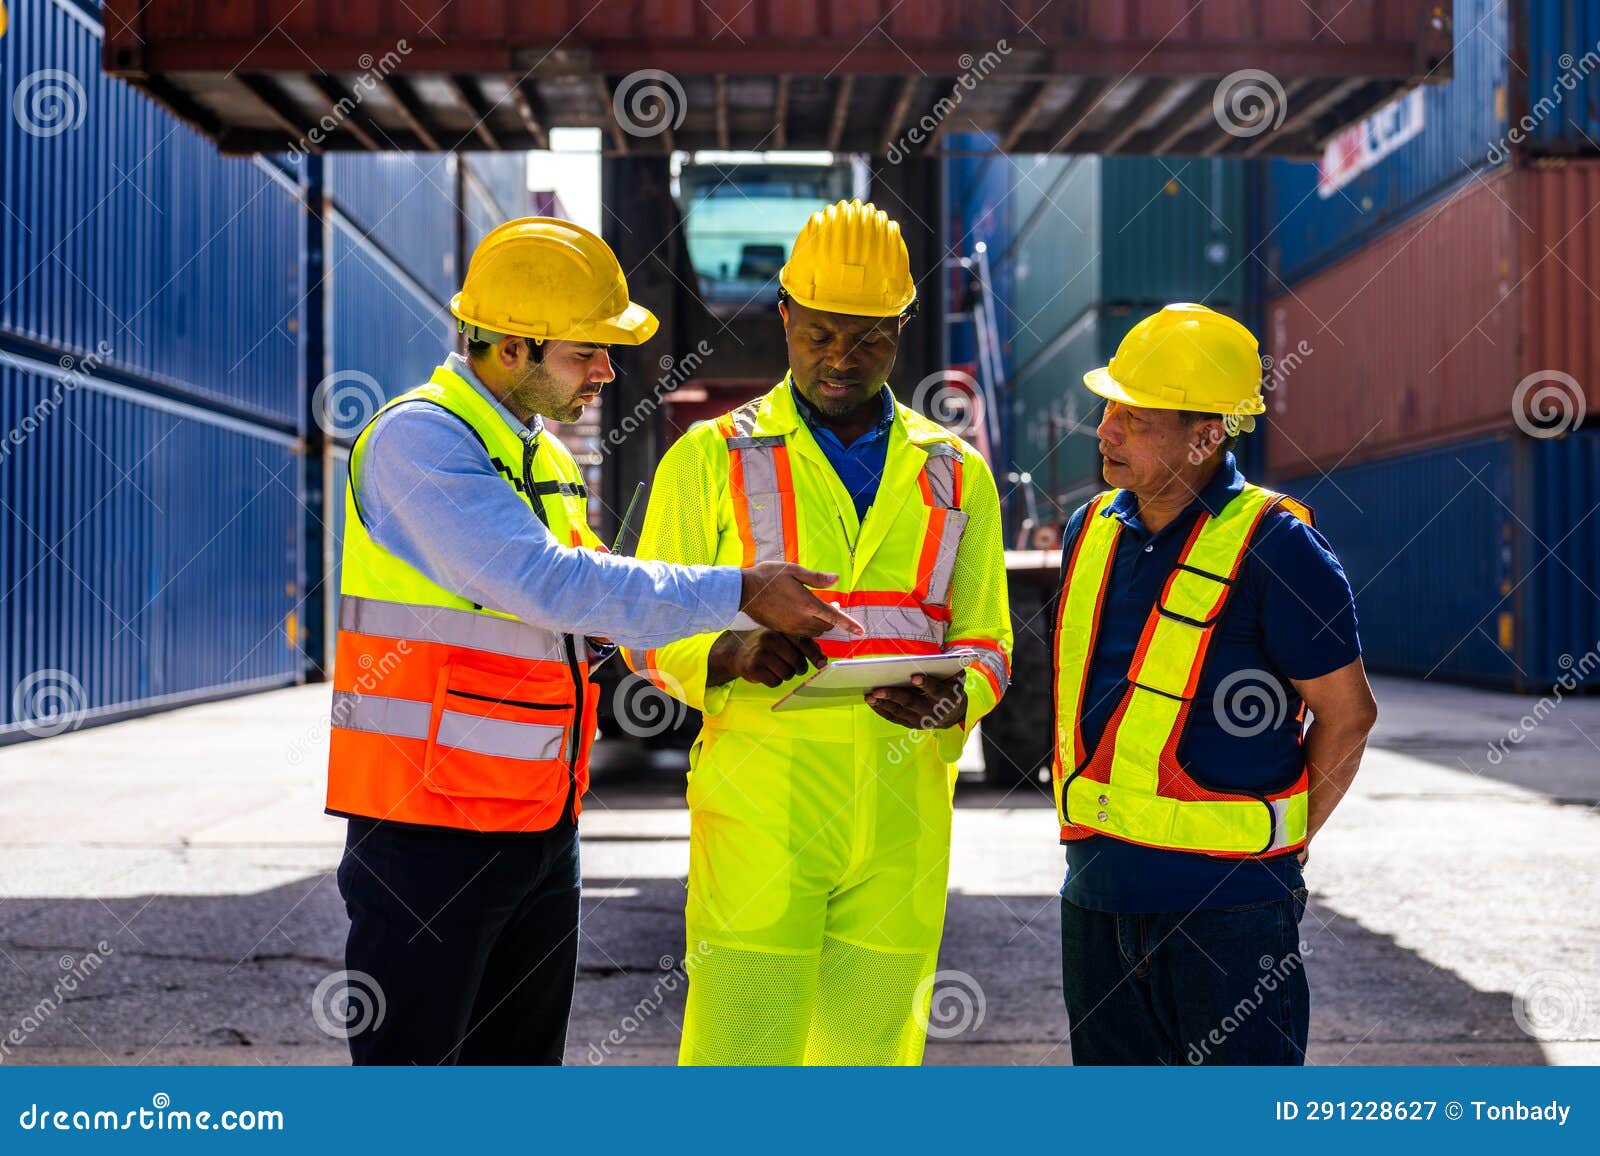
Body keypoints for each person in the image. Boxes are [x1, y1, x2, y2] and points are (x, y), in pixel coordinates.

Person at [325, 217, 861, 1065]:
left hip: (536, 827)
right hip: (428, 832)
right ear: (511, 348)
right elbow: (551, 584)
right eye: (587, 353)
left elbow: (588, 621)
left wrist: (719, 657)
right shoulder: (417, 442)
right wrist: (741, 591)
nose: (609, 372)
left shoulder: (539, 457)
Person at [622, 200, 1012, 1065]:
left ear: (902, 327)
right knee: (741, 1070)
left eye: (868, 338)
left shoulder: (956, 474)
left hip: (901, 822)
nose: (841, 358)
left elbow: (989, 640)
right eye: (822, 333)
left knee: (869, 1077)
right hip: (763, 821)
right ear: (786, 316)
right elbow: (646, 621)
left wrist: (962, 694)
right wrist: (726, 652)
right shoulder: (708, 456)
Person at [1048, 303, 1378, 1065]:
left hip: (1229, 914)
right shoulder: (1088, 530)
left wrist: (1284, 846)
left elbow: (1347, 715)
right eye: (1108, 408)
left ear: (1206, 436)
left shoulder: (1279, 546)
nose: (1105, 431)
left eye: (1136, 417)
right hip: (1095, 902)